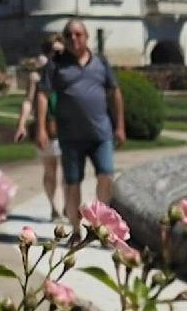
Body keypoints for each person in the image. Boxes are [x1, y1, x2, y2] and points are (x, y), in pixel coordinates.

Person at [35, 19, 125, 236]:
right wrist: (41, 128)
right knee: (72, 183)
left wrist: (120, 126)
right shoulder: (56, 64)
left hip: (101, 134)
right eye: (69, 35)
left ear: (87, 37)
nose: (73, 39)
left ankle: (99, 223)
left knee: (106, 176)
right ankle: (75, 230)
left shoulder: (101, 62)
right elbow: (43, 95)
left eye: (78, 34)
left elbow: (115, 91)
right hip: (70, 137)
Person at [14, 35, 65, 221]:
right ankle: (54, 208)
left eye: (61, 51)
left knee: (69, 171)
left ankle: (68, 205)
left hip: (68, 127)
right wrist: (22, 124)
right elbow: (28, 101)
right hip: (47, 128)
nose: (58, 56)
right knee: (50, 170)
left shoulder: (68, 72)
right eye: (54, 52)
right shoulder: (36, 76)